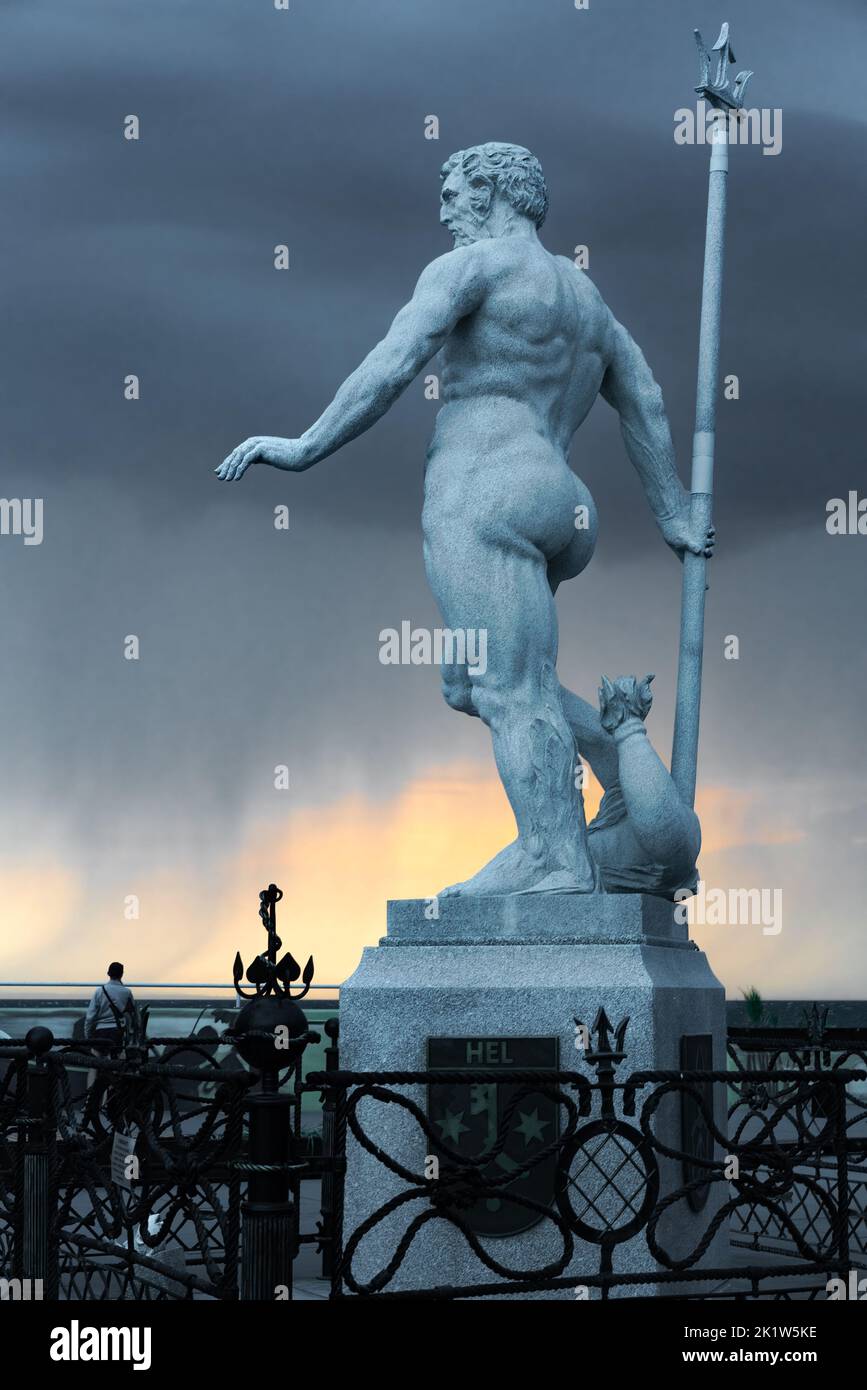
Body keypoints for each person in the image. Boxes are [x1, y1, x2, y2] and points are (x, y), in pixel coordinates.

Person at [216, 142, 714, 896]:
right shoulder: (586, 299)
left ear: (491, 190)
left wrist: (303, 446)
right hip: (563, 504)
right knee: (471, 681)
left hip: (483, 492)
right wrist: (671, 509)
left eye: (453, 192)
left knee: (510, 688)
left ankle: (553, 855)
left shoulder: (471, 268)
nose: (443, 208)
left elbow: (393, 361)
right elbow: (642, 399)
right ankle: (615, 762)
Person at [84, 962, 134, 1055]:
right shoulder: (127, 992)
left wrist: (88, 1036)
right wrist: (130, 1036)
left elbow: (90, 1017)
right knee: (116, 1062)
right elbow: (131, 1015)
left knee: (95, 1062)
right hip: (118, 1032)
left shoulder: (99, 991)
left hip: (101, 1032)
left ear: (108, 973)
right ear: (122, 974)